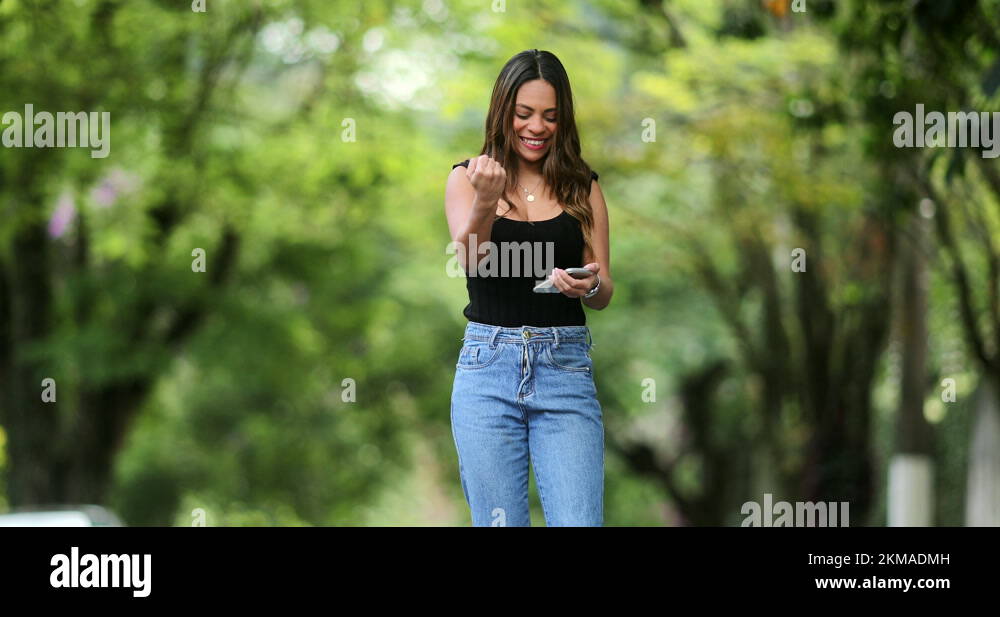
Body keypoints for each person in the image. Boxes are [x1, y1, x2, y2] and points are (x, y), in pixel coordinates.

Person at [443, 49, 614, 526]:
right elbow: (469, 258)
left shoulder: (582, 186)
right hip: (487, 371)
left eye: (550, 116)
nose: (536, 127)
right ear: (503, 112)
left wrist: (588, 284)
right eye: (524, 114)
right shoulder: (467, 179)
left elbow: (605, 292)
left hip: (565, 369)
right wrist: (486, 199)